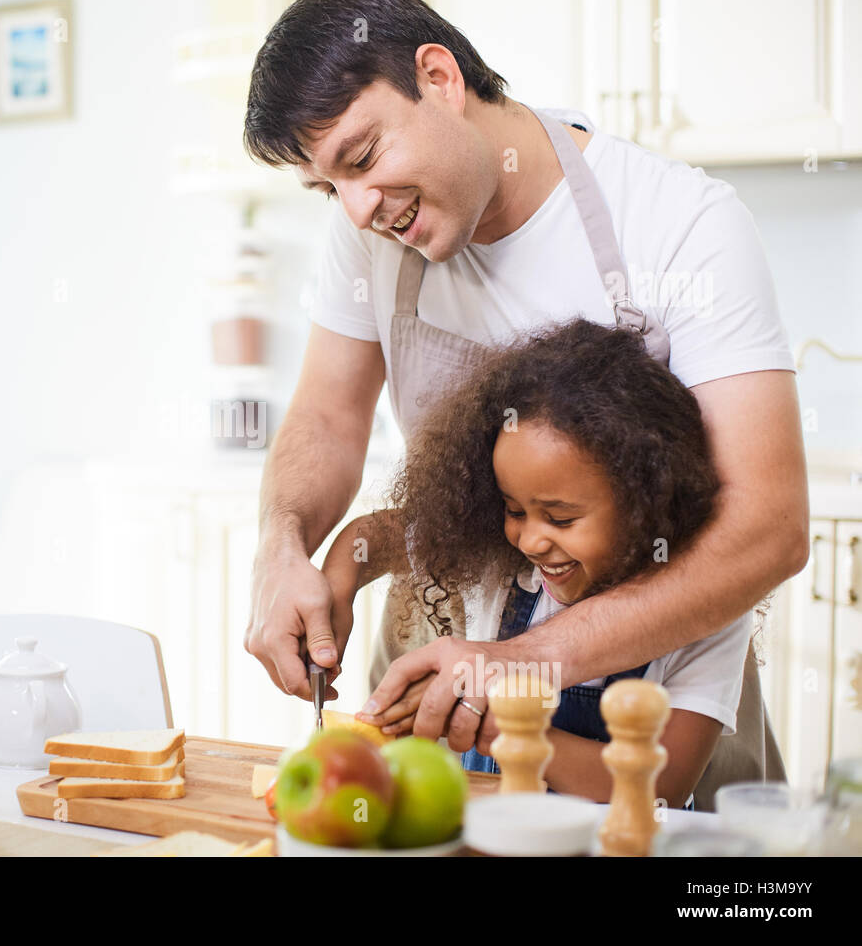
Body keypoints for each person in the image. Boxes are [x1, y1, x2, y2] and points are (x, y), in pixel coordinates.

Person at [240, 0, 806, 807]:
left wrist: (517, 671)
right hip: (440, 658)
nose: (358, 211)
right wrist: (283, 545)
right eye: (329, 189)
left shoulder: (682, 224)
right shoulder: (366, 231)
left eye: (362, 159)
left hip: (645, 681)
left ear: (437, 77)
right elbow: (328, 416)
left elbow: (769, 530)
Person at [321, 319, 750, 808]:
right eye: (514, 510)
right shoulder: (502, 563)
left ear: (646, 503)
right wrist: (337, 588)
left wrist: (511, 725)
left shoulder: (707, 617)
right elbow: (370, 537)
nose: (530, 539)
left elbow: (662, 785)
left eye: (561, 518)